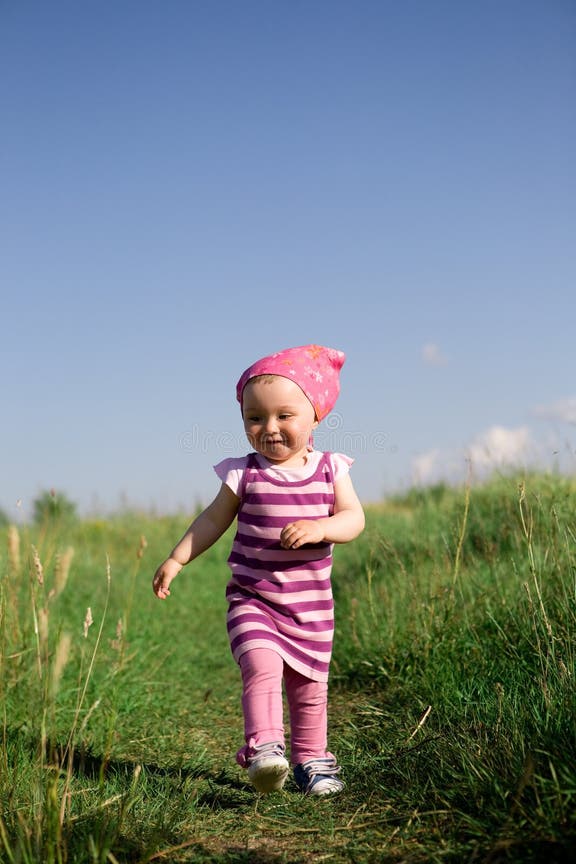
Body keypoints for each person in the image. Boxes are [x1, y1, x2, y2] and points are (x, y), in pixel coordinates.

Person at [152, 344, 365, 795]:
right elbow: (212, 520)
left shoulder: (331, 469)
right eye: (255, 418)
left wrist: (321, 526)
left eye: (284, 416)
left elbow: (354, 519)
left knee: (310, 688)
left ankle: (313, 762)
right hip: (254, 599)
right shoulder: (243, 473)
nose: (269, 428)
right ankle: (266, 750)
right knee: (260, 665)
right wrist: (177, 558)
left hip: (310, 609)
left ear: (316, 417)